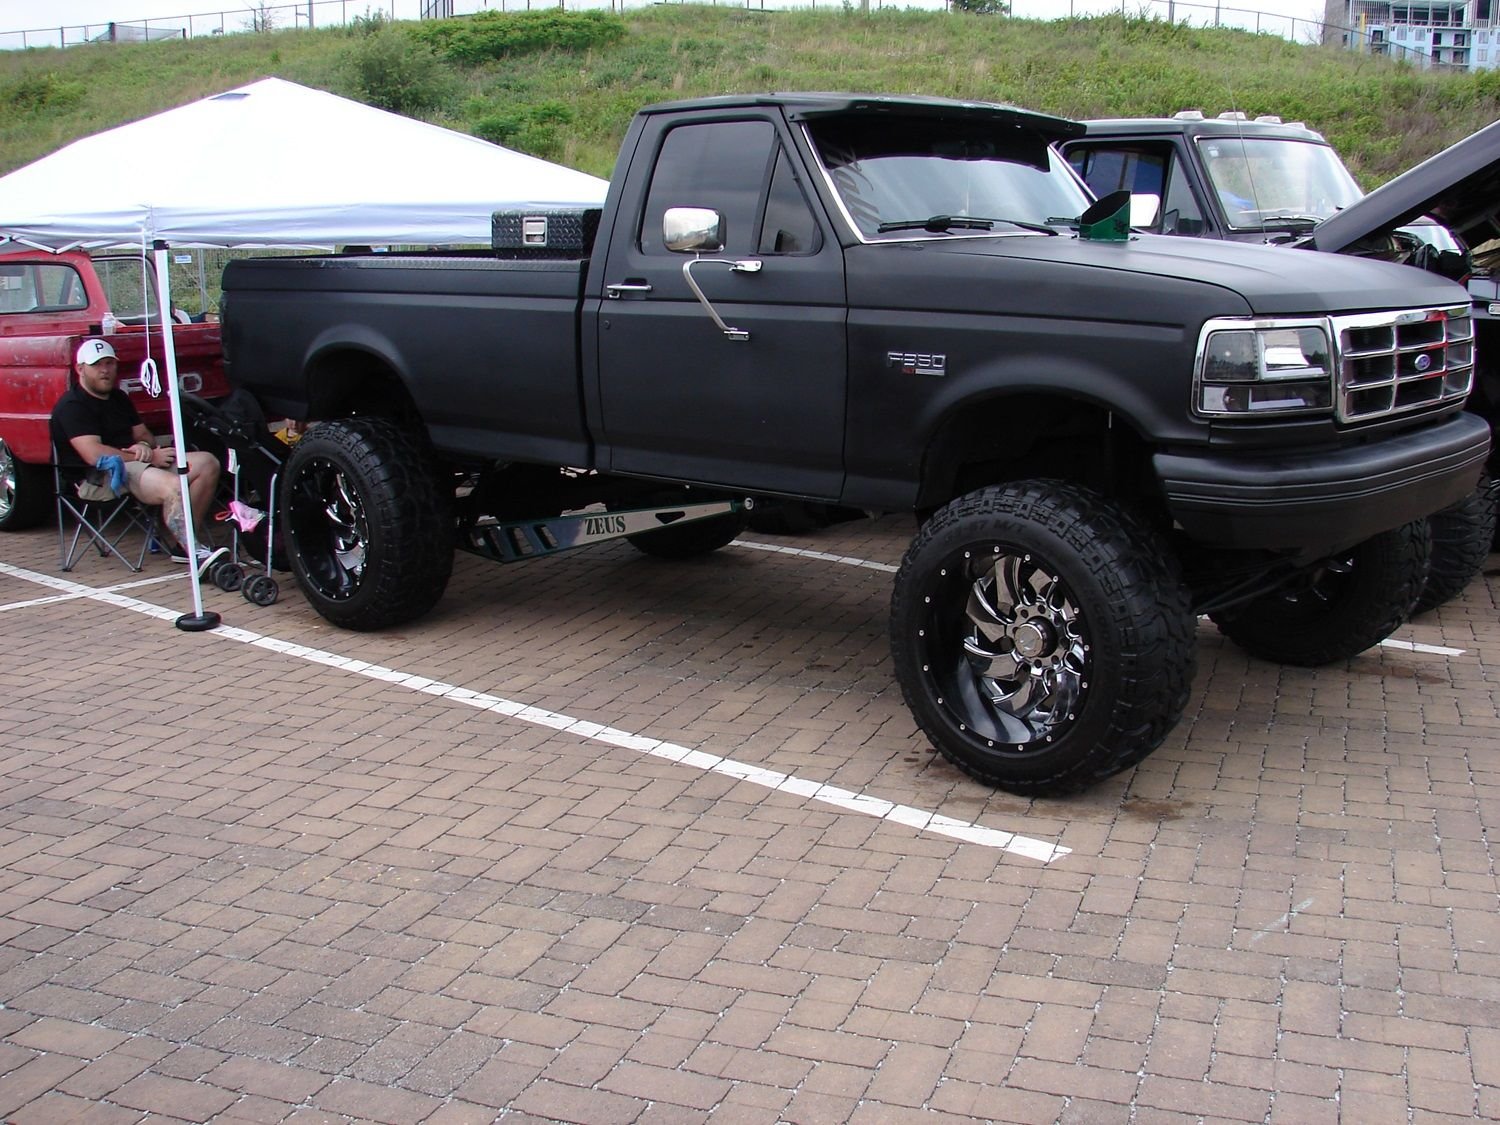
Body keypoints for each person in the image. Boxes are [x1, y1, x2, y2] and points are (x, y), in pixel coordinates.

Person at [51, 338, 222, 567]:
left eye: (109, 363)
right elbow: (95, 455)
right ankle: (192, 549)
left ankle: (181, 543)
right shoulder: (72, 406)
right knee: (173, 485)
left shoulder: (119, 397)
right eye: (97, 364)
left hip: (136, 462)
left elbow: (145, 435)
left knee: (207, 463)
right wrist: (145, 456)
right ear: (80, 369)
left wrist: (143, 447)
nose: (105, 370)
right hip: (100, 476)